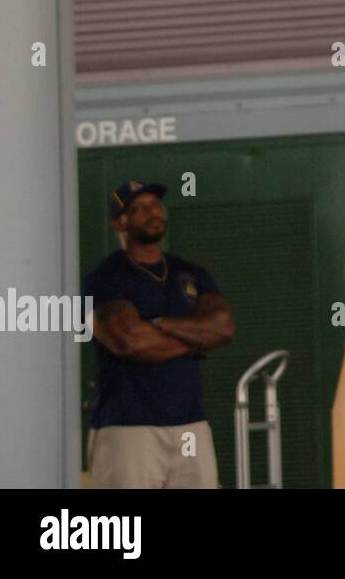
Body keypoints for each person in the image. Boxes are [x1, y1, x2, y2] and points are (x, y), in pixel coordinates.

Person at [85, 180, 235, 488]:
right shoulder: (105, 277)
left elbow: (223, 327)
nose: (151, 213)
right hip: (128, 427)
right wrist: (195, 341)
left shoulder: (190, 272)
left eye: (155, 205)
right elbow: (130, 341)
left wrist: (158, 324)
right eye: (137, 209)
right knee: (127, 533)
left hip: (190, 424)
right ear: (119, 223)